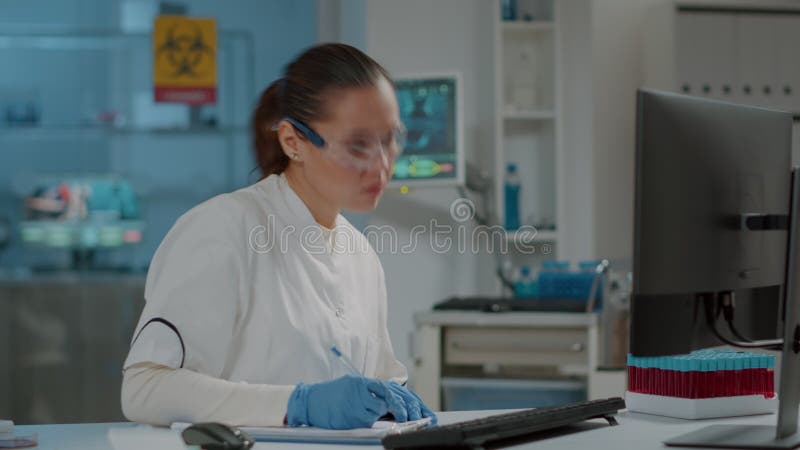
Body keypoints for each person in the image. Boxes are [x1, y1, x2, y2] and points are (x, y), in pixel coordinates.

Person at [120, 43, 436, 430]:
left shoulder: (361, 254)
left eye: (389, 140)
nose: (382, 165)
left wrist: (390, 402)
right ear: (293, 142)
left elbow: (381, 379)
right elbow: (145, 389)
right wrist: (295, 404)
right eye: (357, 144)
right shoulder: (222, 228)